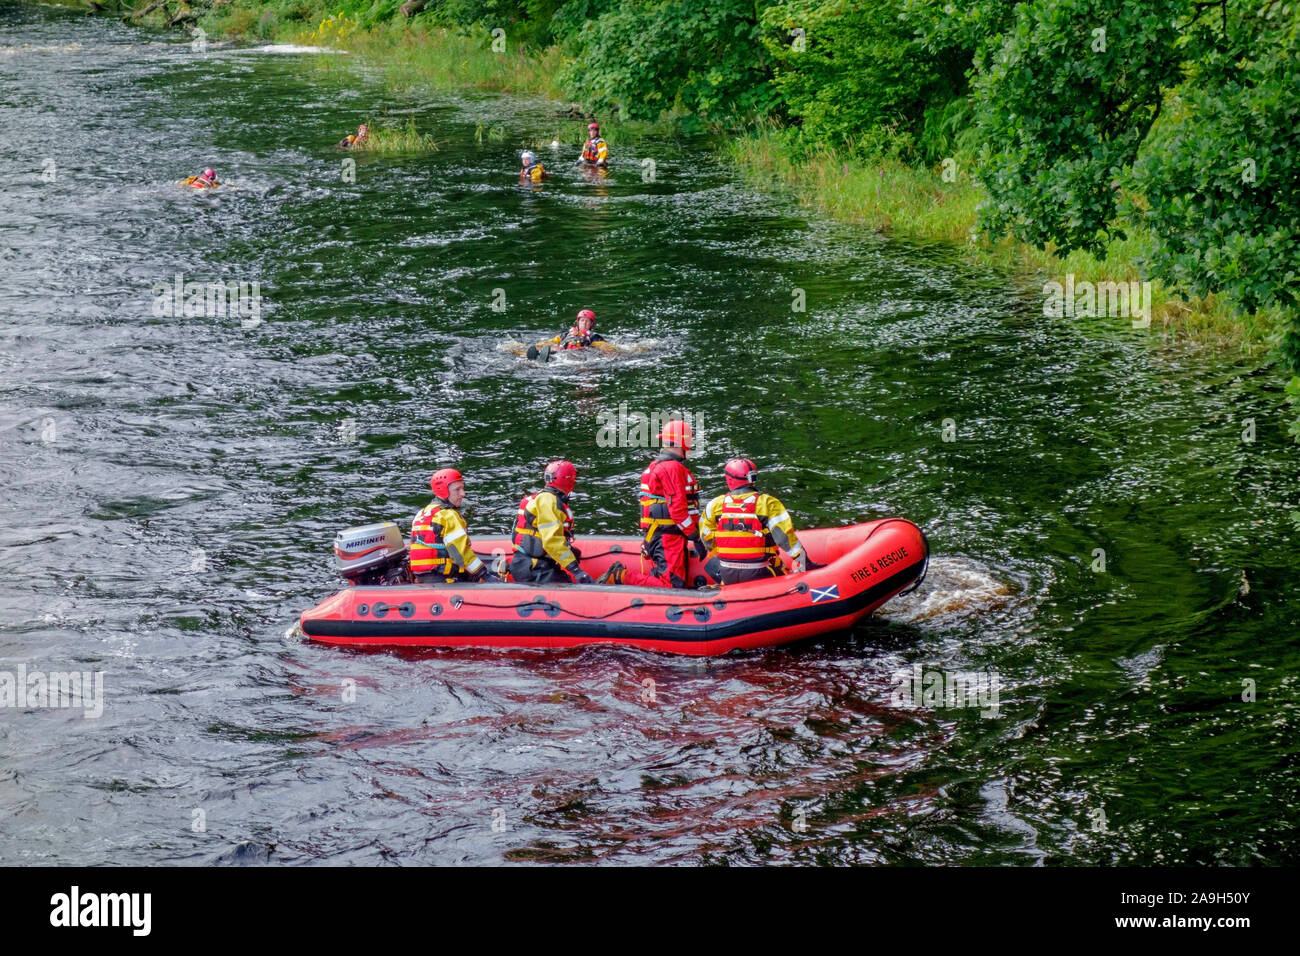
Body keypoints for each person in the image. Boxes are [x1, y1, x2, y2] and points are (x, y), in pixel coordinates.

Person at [620, 420, 708, 589]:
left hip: (663, 534)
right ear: (681, 442)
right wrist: (696, 537)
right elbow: (678, 511)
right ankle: (622, 577)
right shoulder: (672, 468)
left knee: (674, 578)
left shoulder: (657, 465)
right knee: (672, 586)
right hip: (667, 537)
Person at [700, 457, 808, 585]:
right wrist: (805, 562)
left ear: (729, 479)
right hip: (759, 570)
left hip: (726, 572)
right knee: (783, 571)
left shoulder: (714, 505)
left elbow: (706, 539)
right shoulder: (767, 503)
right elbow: (784, 538)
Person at [509, 460, 596, 584]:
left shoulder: (545, 498)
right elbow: (551, 541)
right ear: (569, 480)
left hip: (533, 564)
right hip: (533, 567)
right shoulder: (548, 501)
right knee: (569, 590)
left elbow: (544, 534)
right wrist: (575, 570)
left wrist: (570, 550)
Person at [409, 468, 502, 584]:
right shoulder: (448, 516)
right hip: (444, 579)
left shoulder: (422, 513)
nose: (463, 494)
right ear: (443, 491)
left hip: (425, 577)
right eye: (457, 490)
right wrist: (485, 575)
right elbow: (461, 555)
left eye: (462, 488)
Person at [525, 310, 616, 360]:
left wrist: (612, 352)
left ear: (591, 324)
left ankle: (547, 358)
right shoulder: (566, 334)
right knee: (552, 348)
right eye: (582, 320)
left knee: (561, 355)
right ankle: (534, 354)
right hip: (562, 351)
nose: (584, 323)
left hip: (578, 355)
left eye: (587, 321)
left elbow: (604, 346)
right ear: (578, 322)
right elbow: (551, 342)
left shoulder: (594, 336)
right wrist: (538, 346)